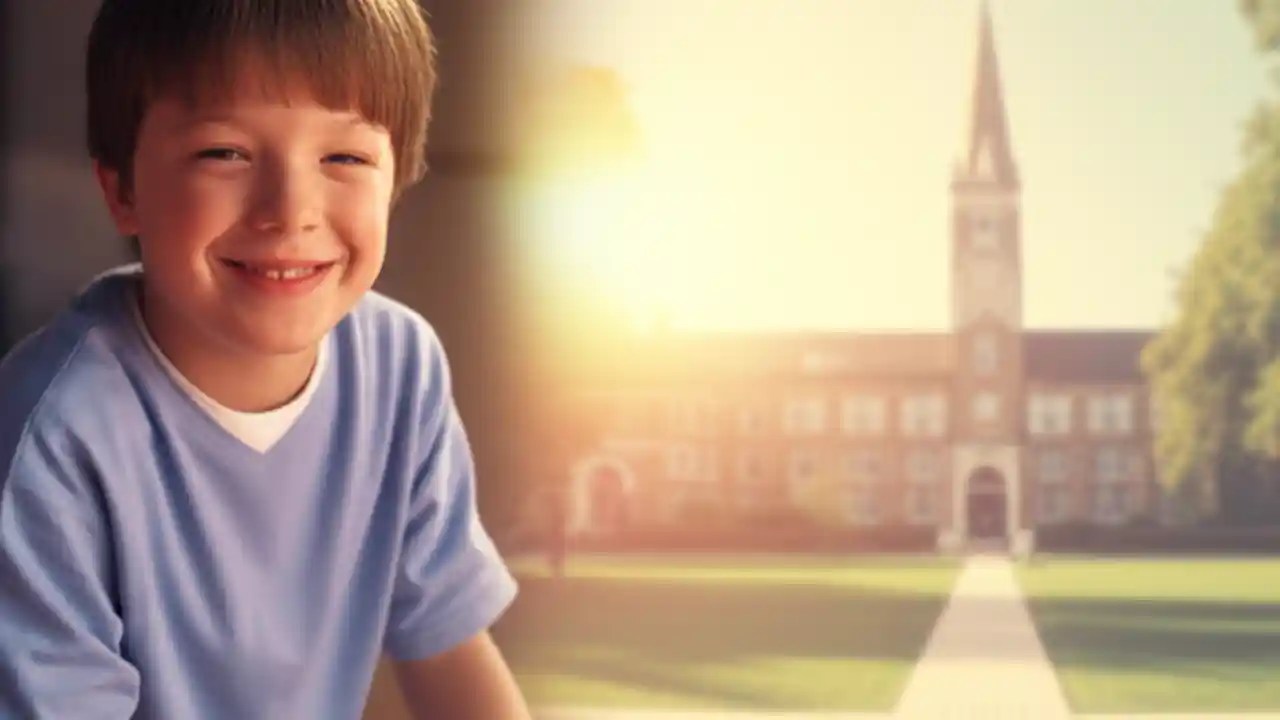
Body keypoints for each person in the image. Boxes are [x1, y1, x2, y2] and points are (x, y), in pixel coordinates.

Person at [0, 1, 532, 718]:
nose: (291, 209)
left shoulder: (401, 365)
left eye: (344, 157)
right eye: (226, 153)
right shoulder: (52, 436)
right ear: (122, 189)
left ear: (397, 180)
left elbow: (449, 649)